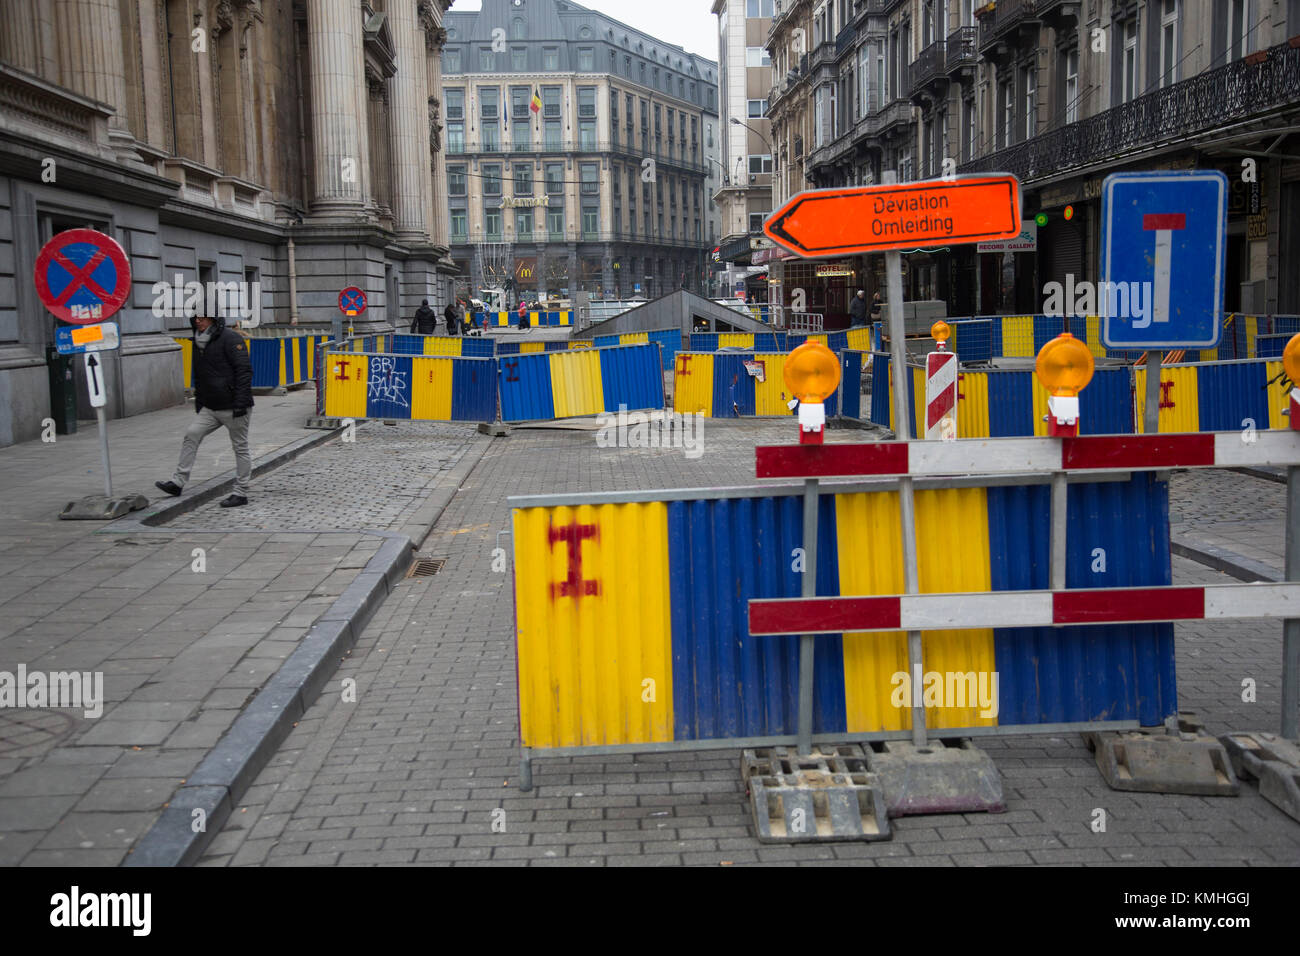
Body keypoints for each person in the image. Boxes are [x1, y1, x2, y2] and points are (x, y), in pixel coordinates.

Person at [155, 313, 253, 507]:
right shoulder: (198, 342)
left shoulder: (231, 338)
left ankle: (240, 493)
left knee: (240, 447)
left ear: (214, 319)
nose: (198, 321)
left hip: (234, 406)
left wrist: (240, 403)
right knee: (191, 434)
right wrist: (200, 402)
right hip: (210, 406)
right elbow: (199, 375)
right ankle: (178, 482)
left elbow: (244, 371)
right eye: (195, 318)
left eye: (202, 318)